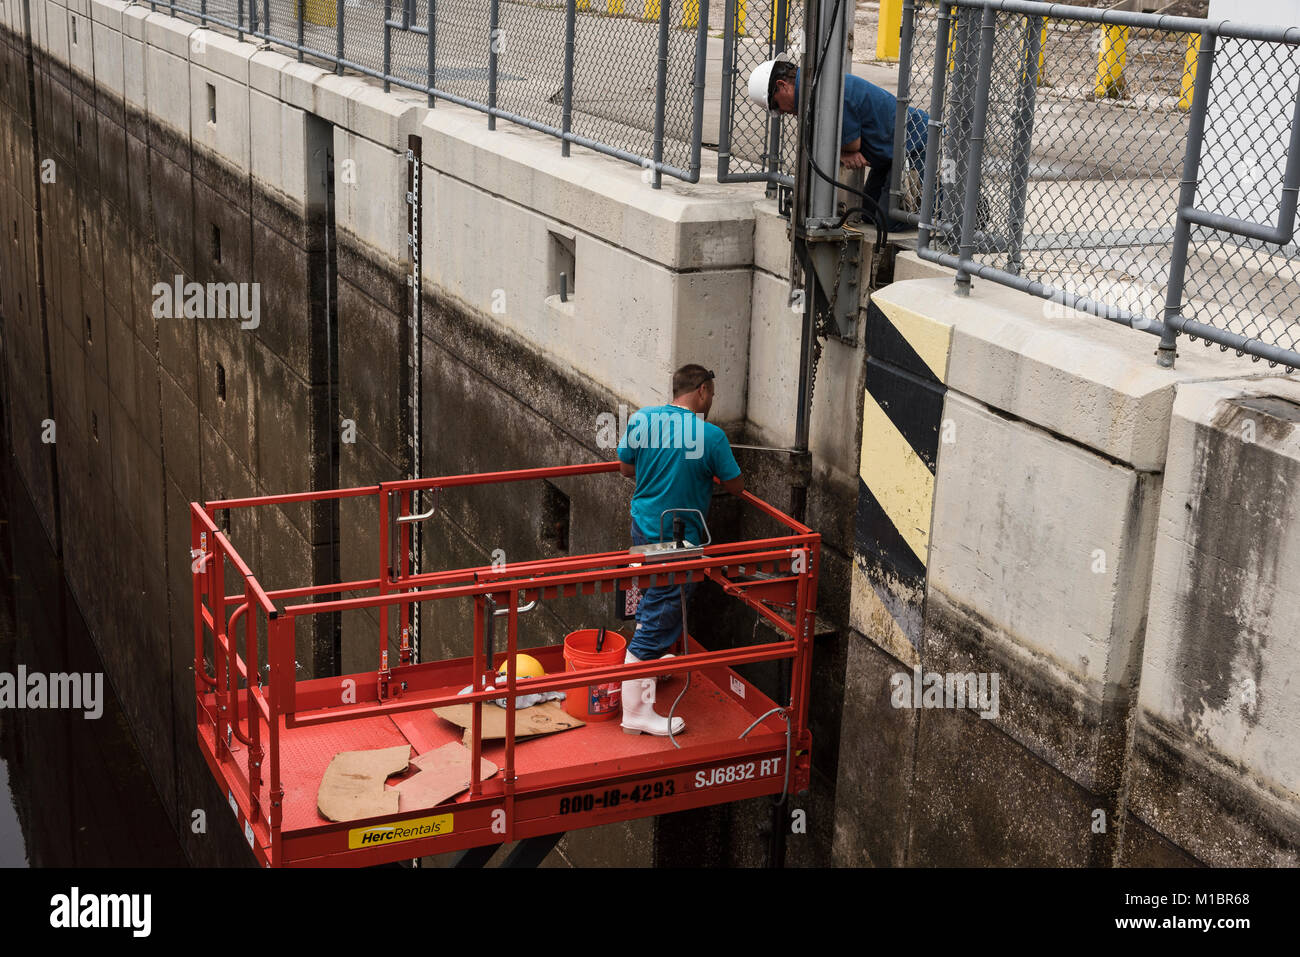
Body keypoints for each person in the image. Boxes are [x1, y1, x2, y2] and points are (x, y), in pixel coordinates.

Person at [615, 364, 744, 736]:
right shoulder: (711, 435)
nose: (712, 401)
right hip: (679, 537)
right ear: (702, 391)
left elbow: (626, 468)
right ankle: (636, 711)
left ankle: (648, 665)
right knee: (664, 605)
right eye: (712, 395)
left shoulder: (642, 419)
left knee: (656, 597)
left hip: (644, 523)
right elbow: (735, 486)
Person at [747, 58, 928, 232]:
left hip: (915, 146)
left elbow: (852, 145)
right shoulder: (816, 88)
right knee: (868, 213)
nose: (783, 112)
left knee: (888, 222)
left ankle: (932, 211)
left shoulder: (826, 91)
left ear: (782, 85)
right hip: (890, 156)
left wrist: (843, 152)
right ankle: (926, 204)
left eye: (777, 105)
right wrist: (842, 152)